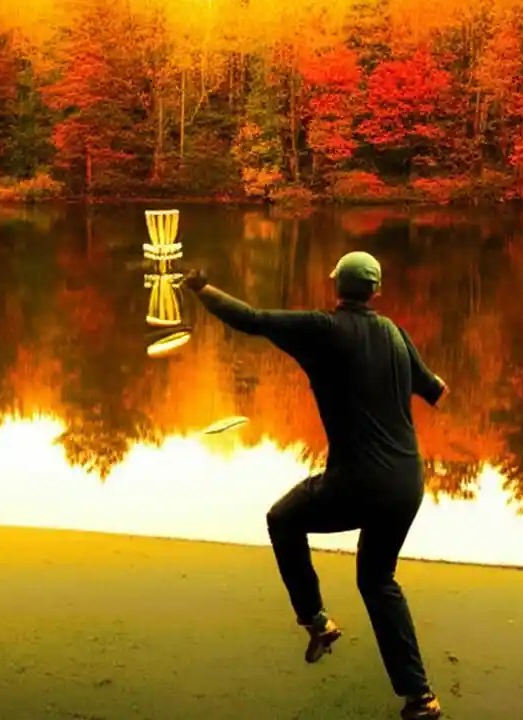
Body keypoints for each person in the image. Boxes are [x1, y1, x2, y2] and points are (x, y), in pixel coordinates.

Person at [181, 251, 445, 720]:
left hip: (358, 483)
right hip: (407, 484)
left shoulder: (323, 330)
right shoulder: (396, 334)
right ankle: (420, 697)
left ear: (336, 288)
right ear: (376, 292)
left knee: (283, 519)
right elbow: (436, 390)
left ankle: (317, 622)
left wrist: (202, 289)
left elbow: (252, 319)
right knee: (378, 580)